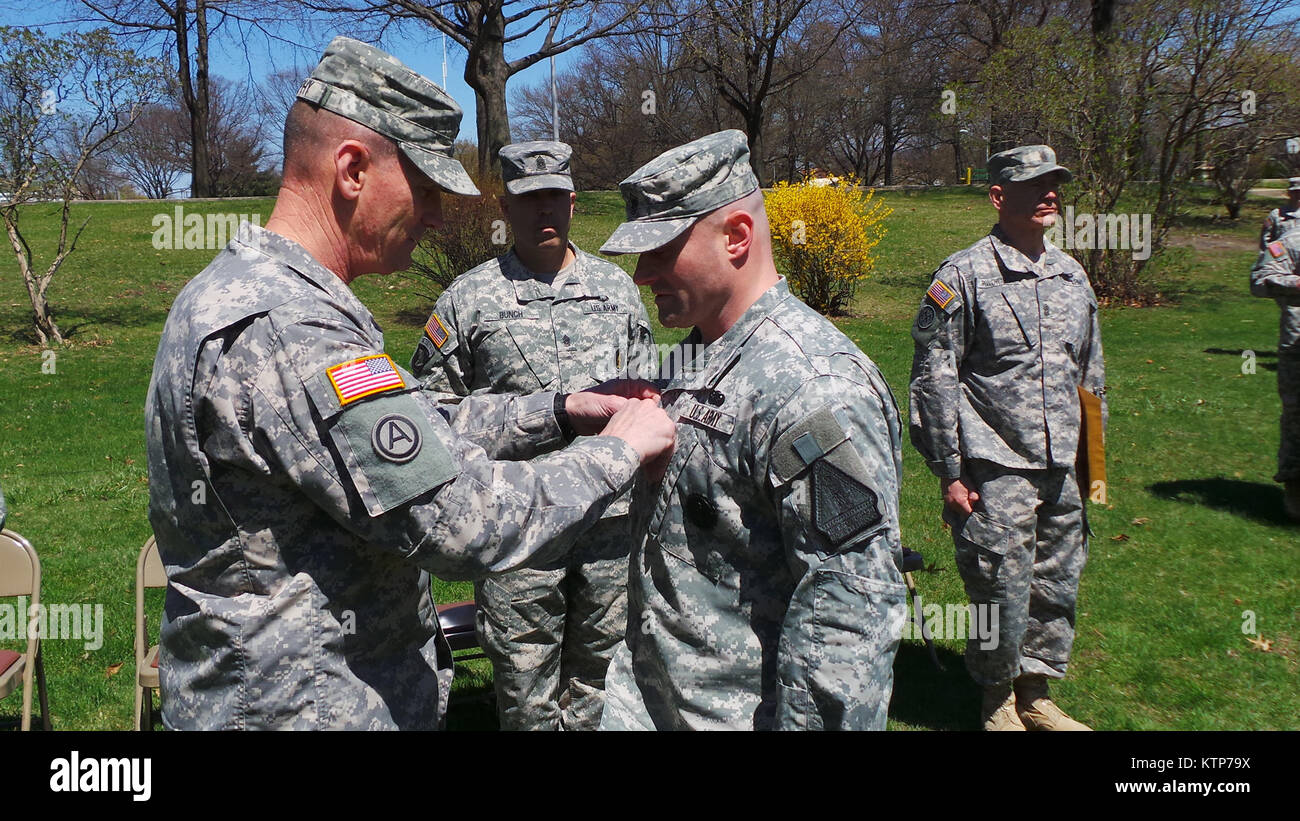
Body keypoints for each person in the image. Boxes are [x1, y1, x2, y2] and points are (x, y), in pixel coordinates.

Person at [144, 37, 674, 730]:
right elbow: (464, 520)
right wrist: (618, 450)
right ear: (353, 168)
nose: (433, 216)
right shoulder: (292, 329)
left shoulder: (252, 295)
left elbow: (416, 426)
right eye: (424, 190)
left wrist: (561, 411)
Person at [596, 130, 907, 731]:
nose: (641, 274)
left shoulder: (815, 390)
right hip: (652, 698)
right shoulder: (695, 357)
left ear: (736, 237)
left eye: (661, 249)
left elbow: (850, 607)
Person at [410, 140, 658, 730]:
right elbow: (431, 410)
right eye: (528, 200)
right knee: (524, 685)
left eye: (553, 198)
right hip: (517, 521)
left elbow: (648, 391)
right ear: (506, 207)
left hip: (610, 520)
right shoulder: (469, 299)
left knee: (603, 674)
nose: (543, 211)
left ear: (572, 202)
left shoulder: (616, 291)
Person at [909, 145, 1105, 731]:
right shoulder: (962, 277)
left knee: (1055, 581)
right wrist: (949, 470)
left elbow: (1091, 376)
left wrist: (1093, 466)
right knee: (1000, 585)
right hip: (995, 464)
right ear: (998, 196)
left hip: (1062, 465)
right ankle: (996, 700)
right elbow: (934, 379)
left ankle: (1036, 694)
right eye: (1034, 185)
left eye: (1055, 184)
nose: (1050, 194)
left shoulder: (1072, 276)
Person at [1250, 231, 1300, 520]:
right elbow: (1259, 280)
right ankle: (1295, 486)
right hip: (1297, 345)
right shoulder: (1291, 241)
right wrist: (1295, 282)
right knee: (1296, 415)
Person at [1259, 178, 1300, 250]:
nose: (1298, 195)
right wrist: (1278, 254)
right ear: (1289, 193)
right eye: (1295, 192)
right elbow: (1265, 239)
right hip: (1283, 258)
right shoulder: (1276, 214)